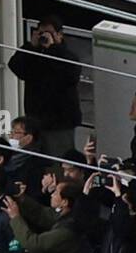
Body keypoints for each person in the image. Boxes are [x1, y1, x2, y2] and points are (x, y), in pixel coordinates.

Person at [7, 16, 82, 157]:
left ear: (59, 35)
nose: (45, 37)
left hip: (60, 124)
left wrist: (53, 48)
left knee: (58, 160)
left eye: (49, 33)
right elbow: (15, 66)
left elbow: (71, 75)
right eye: (41, 33)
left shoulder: (67, 56)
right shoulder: (34, 55)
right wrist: (30, 45)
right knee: (34, 161)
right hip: (35, 122)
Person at [5, 180, 85, 253]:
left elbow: (33, 243)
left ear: (64, 202)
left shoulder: (67, 230)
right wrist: (22, 198)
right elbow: (41, 213)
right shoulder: (64, 216)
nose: (52, 195)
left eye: (55, 193)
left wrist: (15, 217)